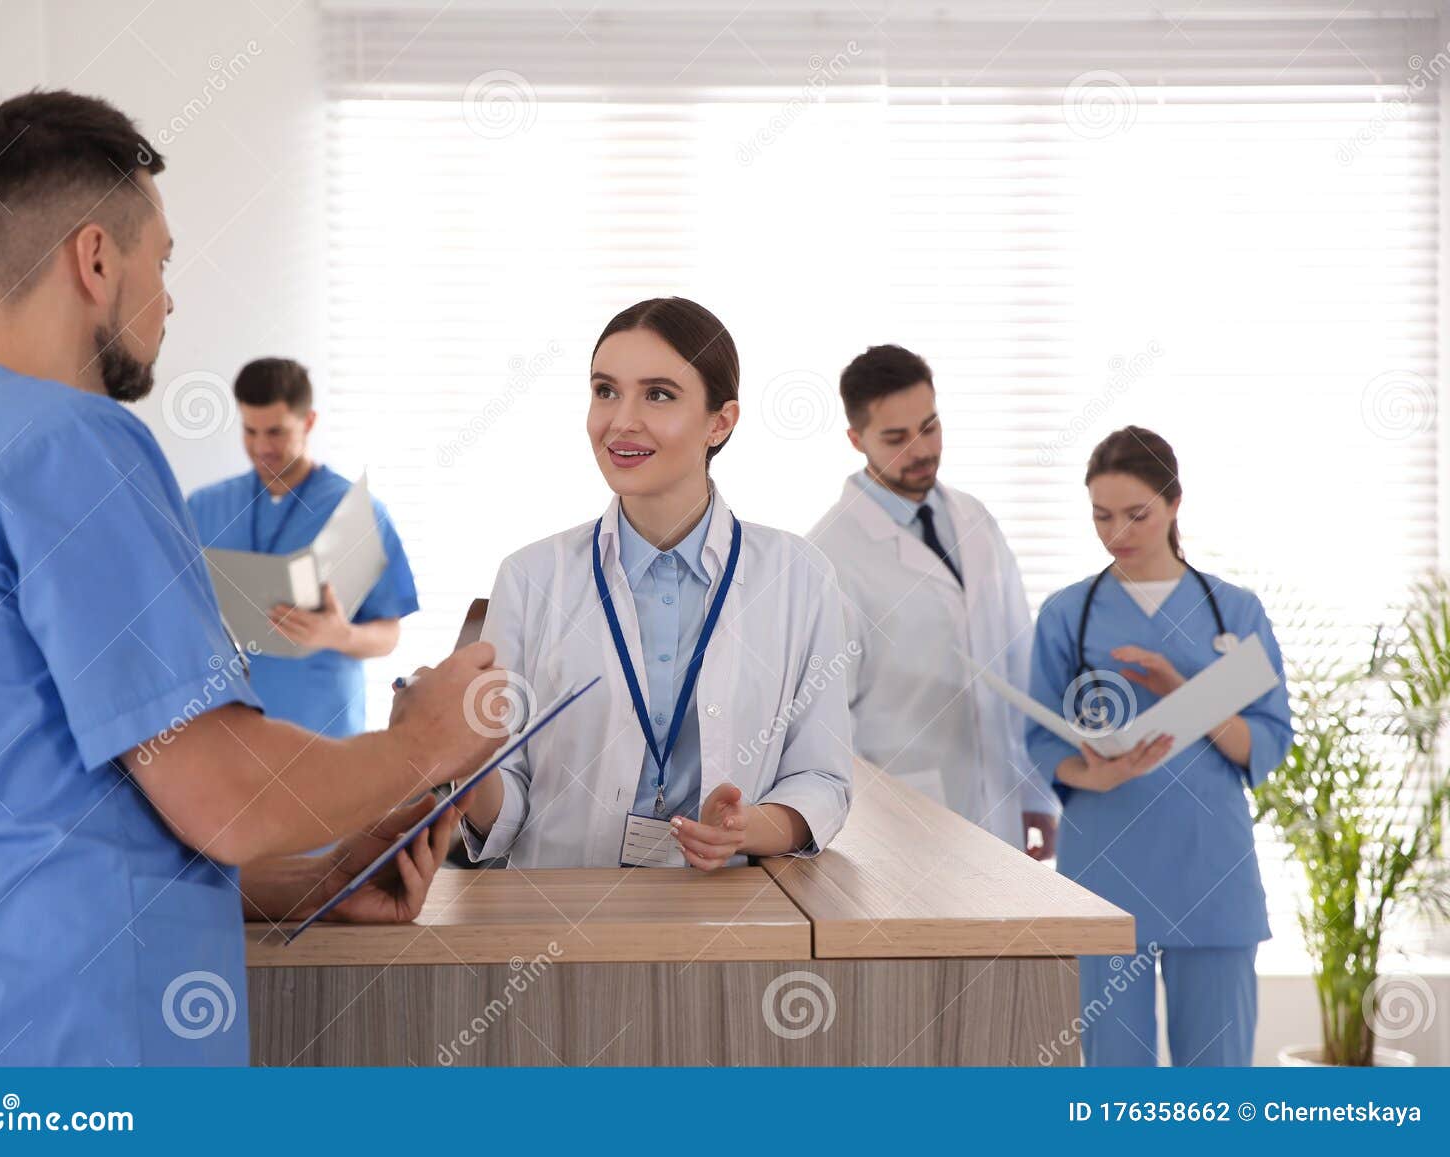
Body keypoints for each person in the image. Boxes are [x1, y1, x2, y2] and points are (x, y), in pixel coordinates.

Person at [0, 91, 502, 1067]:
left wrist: (290, 883)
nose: (168, 295)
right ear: (96, 258)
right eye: (161, 260)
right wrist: (427, 741)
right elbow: (229, 794)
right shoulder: (73, 442)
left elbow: (42, 814)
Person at [459, 297, 854, 869]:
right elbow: (508, 801)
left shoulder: (799, 576)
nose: (621, 421)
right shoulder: (530, 577)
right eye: (605, 391)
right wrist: (467, 765)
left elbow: (821, 779)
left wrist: (745, 829)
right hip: (561, 915)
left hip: (727, 917)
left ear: (720, 422)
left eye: (659, 394)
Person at [1025, 426, 1292, 1066]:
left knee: (1216, 1083)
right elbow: (1037, 739)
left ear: (1174, 504)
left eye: (1136, 514)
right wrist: (1093, 777)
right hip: (1107, 864)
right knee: (1117, 1081)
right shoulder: (1068, 614)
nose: (1118, 532)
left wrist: (1186, 692)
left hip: (1212, 867)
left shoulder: (1236, 611)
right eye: (1101, 515)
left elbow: (1269, 740)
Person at [808, 345, 1058, 856]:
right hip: (899, 828)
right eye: (896, 438)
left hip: (1001, 810)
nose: (921, 450)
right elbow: (824, 720)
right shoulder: (829, 554)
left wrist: (1035, 794)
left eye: (929, 427)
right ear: (856, 439)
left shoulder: (976, 521)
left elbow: (1019, 664)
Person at [187, 357, 418, 737]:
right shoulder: (204, 507)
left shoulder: (358, 514)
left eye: (276, 432)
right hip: (225, 734)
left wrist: (339, 635)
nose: (261, 447)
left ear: (308, 422)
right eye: (250, 431)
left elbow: (389, 633)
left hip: (323, 734)